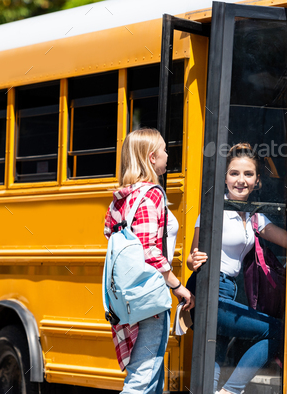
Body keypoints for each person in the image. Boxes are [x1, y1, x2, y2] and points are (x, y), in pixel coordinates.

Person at [187, 143, 287, 394]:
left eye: (248, 174)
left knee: (217, 356)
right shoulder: (213, 211)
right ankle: (232, 390)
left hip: (228, 291)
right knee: (276, 331)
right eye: (234, 173)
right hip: (210, 289)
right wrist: (193, 261)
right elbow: (192, 256)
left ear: (257, 181)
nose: (240, 180)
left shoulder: (254, 217)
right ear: (224, 177)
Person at [104, 128, 193, 394]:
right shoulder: (152, 194)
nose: (168, 154)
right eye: (164, 150)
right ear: (152, 158)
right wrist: (178, 287)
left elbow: (113, 238)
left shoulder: (121, 198)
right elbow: (149, 251)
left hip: (124, 298)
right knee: (142, 380)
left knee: (153, 382)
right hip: (147, 298)